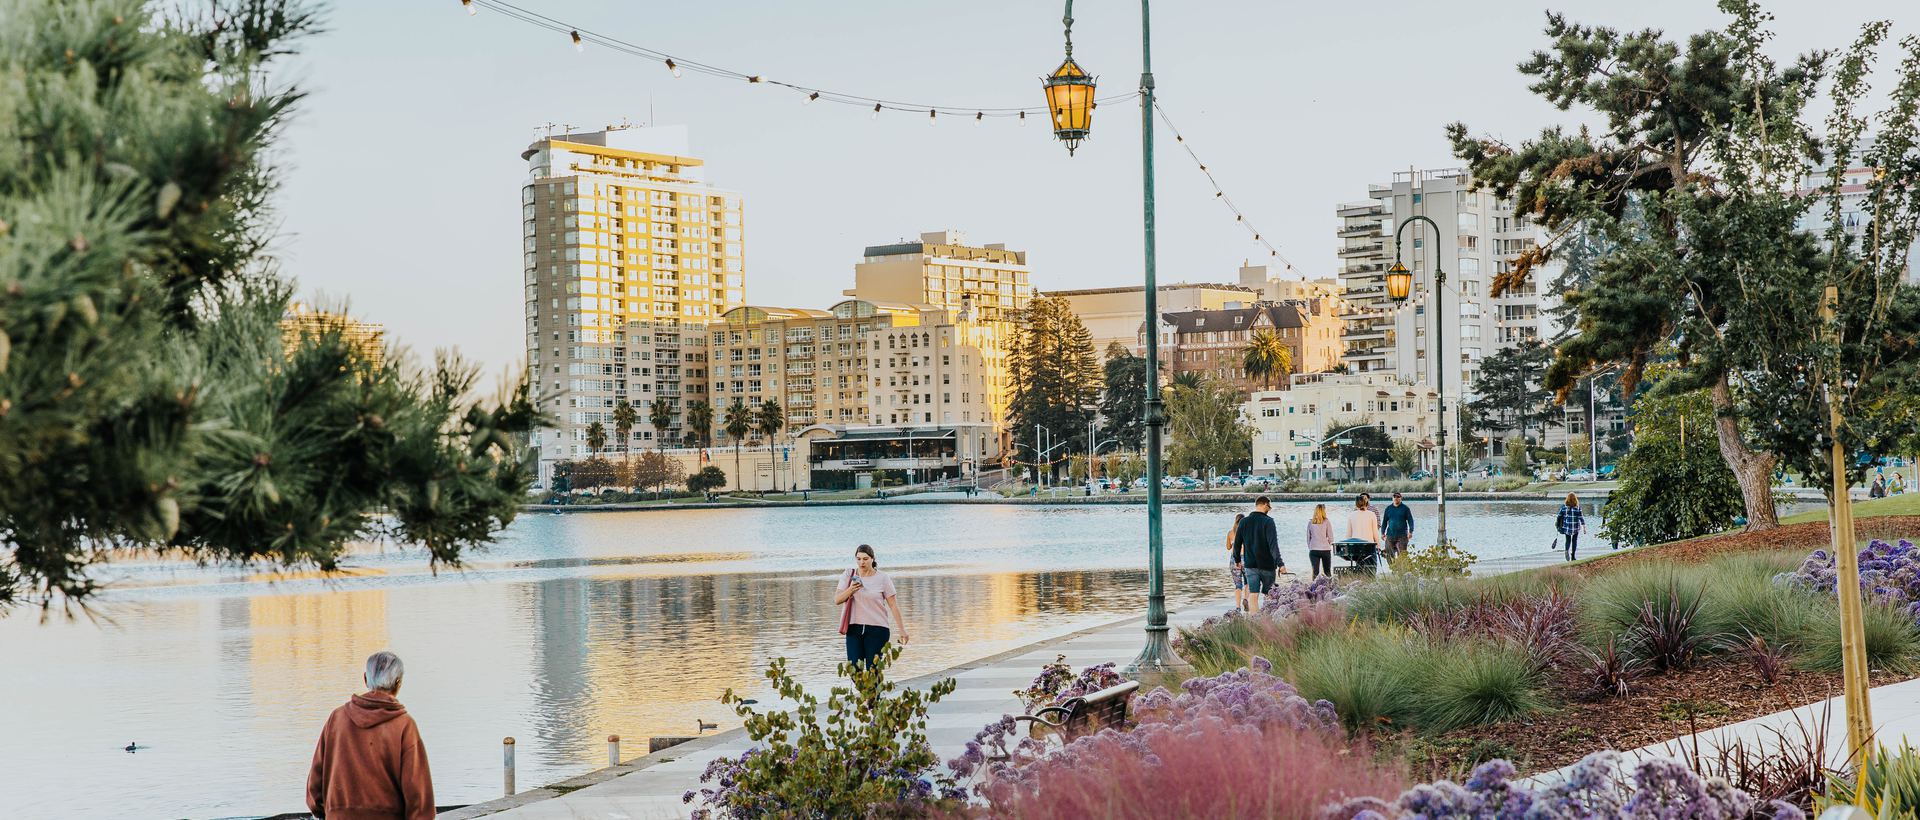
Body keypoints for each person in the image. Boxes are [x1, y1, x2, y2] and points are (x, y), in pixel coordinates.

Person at [306, 651, 435, 820]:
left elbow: (315, 788)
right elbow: (419, 798)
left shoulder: (336, 719)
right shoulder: (404, 725)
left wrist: (329, 813)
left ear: (365, 679)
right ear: (398, 683)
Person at [833, 544, 909, 668]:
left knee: (873, 669)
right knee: (853, 668)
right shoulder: (849, 574)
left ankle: (873, 688)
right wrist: (851, 589)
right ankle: (863, 688)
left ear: (872, 559)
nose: (861, 562)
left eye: (865, 559)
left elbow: (893, 605)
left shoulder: (883, 578)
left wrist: (902, 630)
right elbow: (837, 600)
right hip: (853, 628)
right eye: (858, 559)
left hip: (878, 629)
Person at [1231, 496, 1284, 610]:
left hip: (1250, 565)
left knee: (1253, 594)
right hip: (1267, 565)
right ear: (1264, 504)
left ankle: (1254, 621)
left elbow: (1237, 544)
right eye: (1269, 506)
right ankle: (1267, 621)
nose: (1269, 509)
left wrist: (1237, 560)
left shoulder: (1244, 522)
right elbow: (1273, 545)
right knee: (1269, 594)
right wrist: (1280, 564)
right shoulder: (1269, 521)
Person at [1380, 492, 1414, 560]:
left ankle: (1401, 570)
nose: (1396, 498)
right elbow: (1384, 522)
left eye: (1398, 497)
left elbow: (1410, 520)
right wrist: (1382, 533)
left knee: (1402, 556)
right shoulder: (1388, 509)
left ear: (1401, 498)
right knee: (1389, 555)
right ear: (1392, 498)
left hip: (1402, 536)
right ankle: (1392, 569)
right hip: (1390, 535)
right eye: (1394, 497)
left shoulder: (1405, 508)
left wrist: (1410, 531)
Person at [1306, 504, 1335, 579]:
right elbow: (1331, 538)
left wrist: (1311, 546)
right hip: (1325, 549)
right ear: (1323, 511)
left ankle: (1314, 589)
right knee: (1327, 572)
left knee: (1315, 572)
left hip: (1314, 550)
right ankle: (1329, 589)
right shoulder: (1326, 521)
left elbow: (1308, 538)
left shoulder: (1310, 522)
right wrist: (1327, 543)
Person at [1226, 513, 1247, 611]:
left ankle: (1238, 607)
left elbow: (1228, 547)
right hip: (1247, 559)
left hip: (1234, 560)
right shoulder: (1248, 532)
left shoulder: (1230, 533)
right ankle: (1246, 599)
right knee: (1248, 582)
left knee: (1238, 585)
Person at [1557, 493, 1587, 561]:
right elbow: (1581, 518)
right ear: (1575, 499)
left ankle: (1566, 550)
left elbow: (1559, 516)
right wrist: (1584, 527)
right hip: (1575, 527)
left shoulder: (1564, 507)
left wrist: (1558, 526)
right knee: (1574, 540)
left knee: (1567, 540)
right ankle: (1573, 555)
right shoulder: (1578, 507)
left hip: (1567, 526)